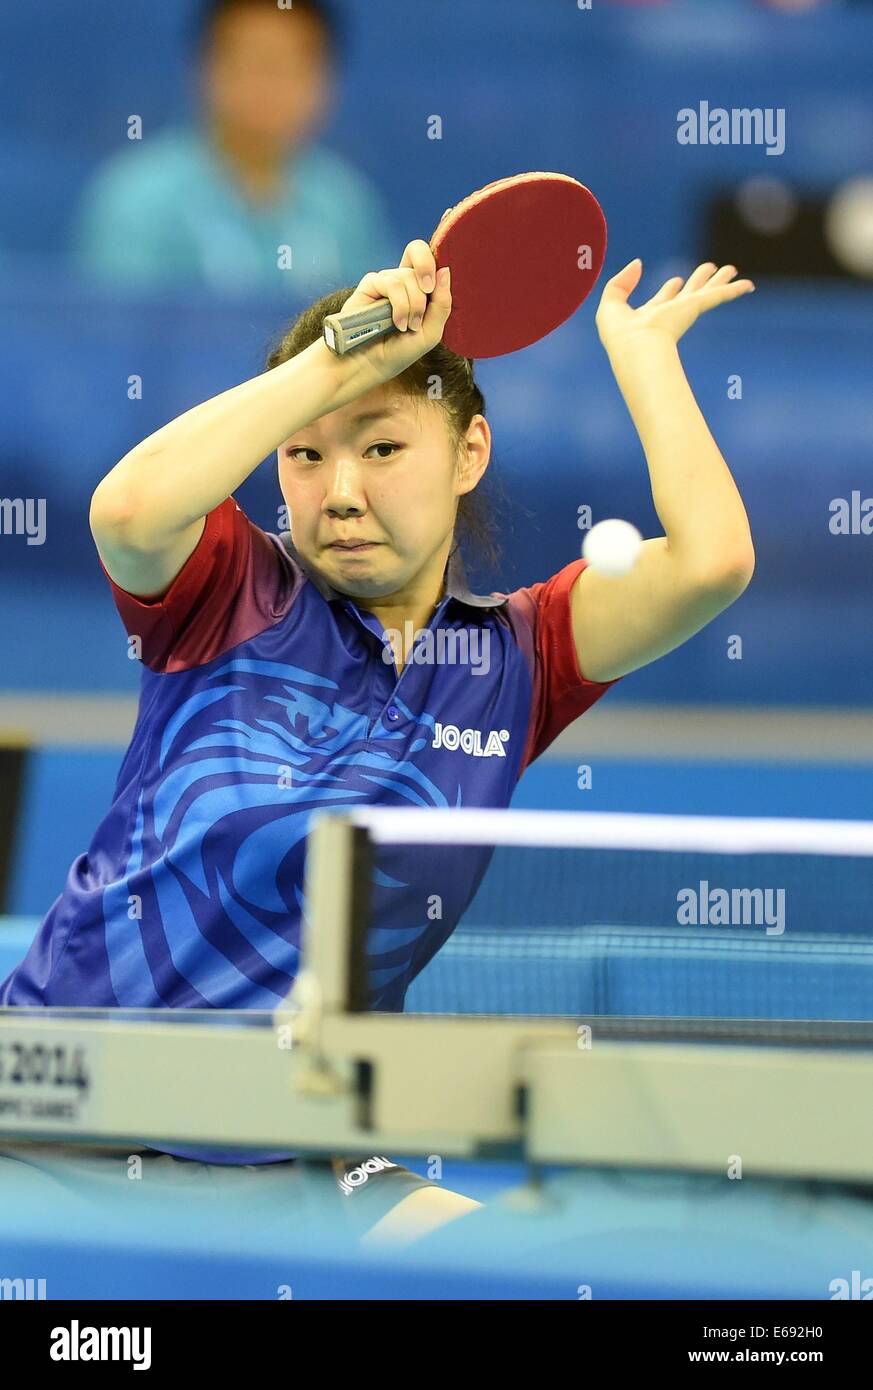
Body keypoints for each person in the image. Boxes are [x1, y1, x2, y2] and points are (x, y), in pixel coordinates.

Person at [0, 242, 755, 1245]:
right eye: (308, 454)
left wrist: (644, 351)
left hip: (303, 1142)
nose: (341, 491)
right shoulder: (226, 589)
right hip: (65, 1109)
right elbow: (128, 509)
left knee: (512, 1273)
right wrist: (341, 359)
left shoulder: (517, 657)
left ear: (469, 453)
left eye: (383, 447)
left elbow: (713, 563)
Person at [73, 0, 395, 296]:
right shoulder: (138, 198)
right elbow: (111, 342)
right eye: (254, 62)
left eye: (292, 64)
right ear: (205, 68)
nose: (272, 85)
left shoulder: (344, 203)